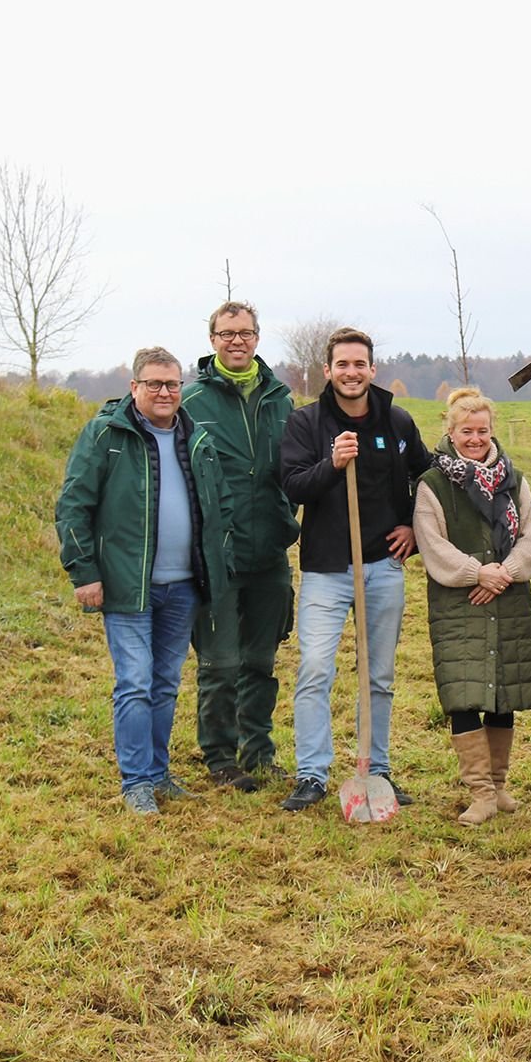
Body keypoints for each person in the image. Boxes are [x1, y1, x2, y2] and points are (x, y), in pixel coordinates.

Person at [56, 347, 232, 816]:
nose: (164, 392)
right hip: (127, 586)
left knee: (164, 683)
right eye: (153, 383)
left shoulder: (196, 437)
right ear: (134, 388)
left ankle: (159, 774)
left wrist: (218, 564)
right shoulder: (107, 436)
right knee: (134, 682)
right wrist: (84, 571)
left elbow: (219, 506)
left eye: (172, 384)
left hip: (184, 587)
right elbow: (74, 505)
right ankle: (135, 782)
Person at [276, 328, 431, 813]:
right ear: (328, 371)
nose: (351, 372)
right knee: (316, 669)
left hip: (383, 566)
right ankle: (311, 773)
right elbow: (293, 486)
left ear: (372, 369)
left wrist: (411, 527)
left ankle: (376, 767)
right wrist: (332, 463)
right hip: (326, 569)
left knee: (378, 674)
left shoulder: (397, 421)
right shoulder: (306, 423)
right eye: (342, 364)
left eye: (359, 364)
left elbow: (424, 477)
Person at [413, 387, 531, 825]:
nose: (476, 438)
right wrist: (477, 572)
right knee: (465, 695)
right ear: (451, 432)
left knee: (503, 694)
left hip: (508, 598)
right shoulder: (433, 485)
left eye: (482, 431)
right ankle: (480, 792)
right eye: (467, 431)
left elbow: (530, 535)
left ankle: (500, 786)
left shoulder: (515, 480)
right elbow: (431, 543)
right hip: (460, 603)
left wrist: (504, 572)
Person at [181, 300, 299, 793]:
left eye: (245, 333)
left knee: (260, 660)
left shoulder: (280, 400)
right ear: (212, 340)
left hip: (269, 550)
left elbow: (295, 470)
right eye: (226, 333)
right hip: (217, 555)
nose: (236, 340)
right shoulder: (191, 402)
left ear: (257, 338)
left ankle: (258, 750)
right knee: (221, 661)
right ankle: (219, 756)